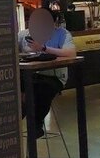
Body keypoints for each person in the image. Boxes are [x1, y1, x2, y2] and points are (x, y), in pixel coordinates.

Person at [18, 8, 76, 138]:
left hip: (53, 77)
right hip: (30, 75)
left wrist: (44, 48)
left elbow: (71, 53)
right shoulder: (23, 35)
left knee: (41, 90)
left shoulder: (62, 34)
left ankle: (35, 125)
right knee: (20, 92)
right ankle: (11, 126)